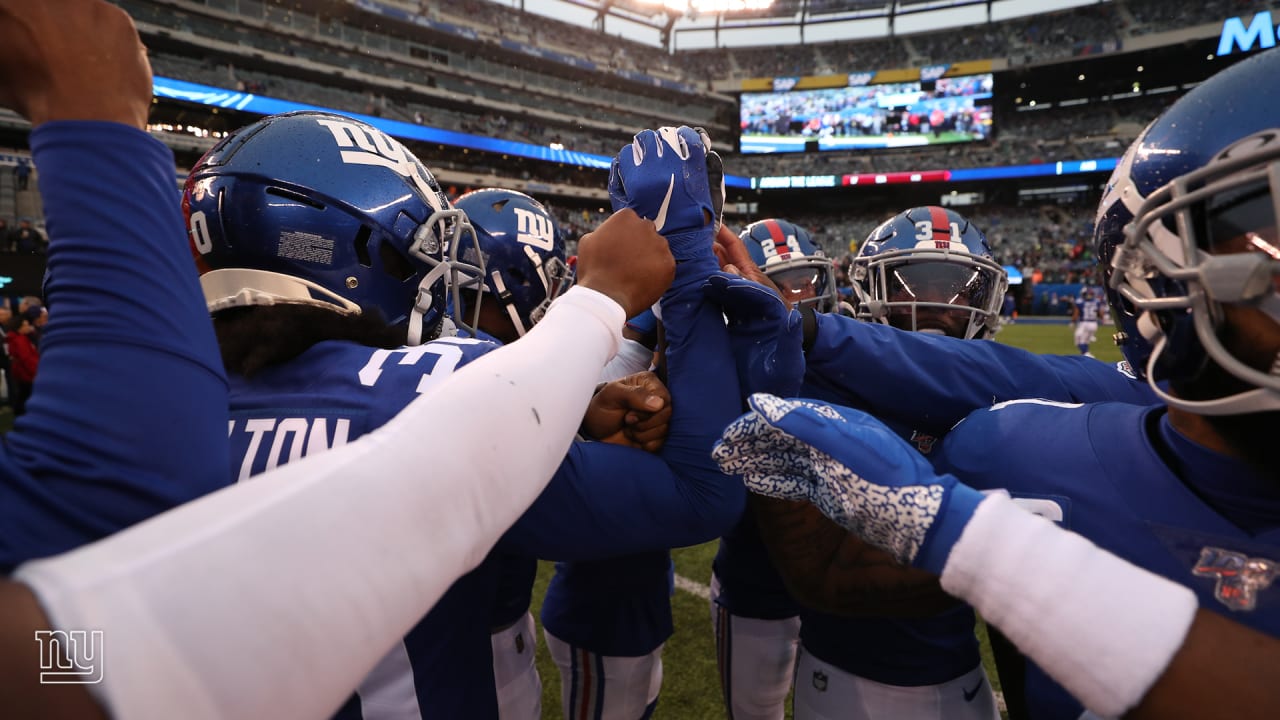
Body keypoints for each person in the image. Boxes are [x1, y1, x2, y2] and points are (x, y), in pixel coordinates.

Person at [715, 47, 1280, 720]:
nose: (942, 305)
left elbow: (996, 372)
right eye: (1266, 269)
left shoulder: (1022, 420)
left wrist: (974, 540)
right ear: (1157, 283)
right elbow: (817, 573)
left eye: (957, 288)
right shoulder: (1016, 437)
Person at [708, 217, 847, 720]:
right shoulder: (720, 368)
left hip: (836, 585)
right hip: (755, 585)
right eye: (779, 282)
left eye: (806, 279)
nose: (798, 293)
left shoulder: (848, 355)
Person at [1070, 287, 1104, 356]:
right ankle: (1085, 352)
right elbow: (1100, 314)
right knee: (1085, 340)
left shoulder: (1080, 301)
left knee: (1079, 340)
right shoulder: (1096, 301)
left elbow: (1076, 313)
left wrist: (1073, 322)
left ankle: (1086, 354)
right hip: (1094, 324)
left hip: (1084, 323)